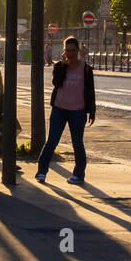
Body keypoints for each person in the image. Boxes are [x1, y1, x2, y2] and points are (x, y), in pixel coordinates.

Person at [36, 35, 95, 185]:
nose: (70, 54)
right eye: (68, 51)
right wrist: (62, 65)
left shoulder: (86, 69)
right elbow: (57, 82)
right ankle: (41, 171)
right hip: (59, 109)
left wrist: (91, 111)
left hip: (78, 111)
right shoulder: (59, 66)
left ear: (78, 51)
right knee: (51, 142)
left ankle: (78, 174)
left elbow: (90, 91)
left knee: (77, 143)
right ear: (64, 51)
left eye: (73, 50)